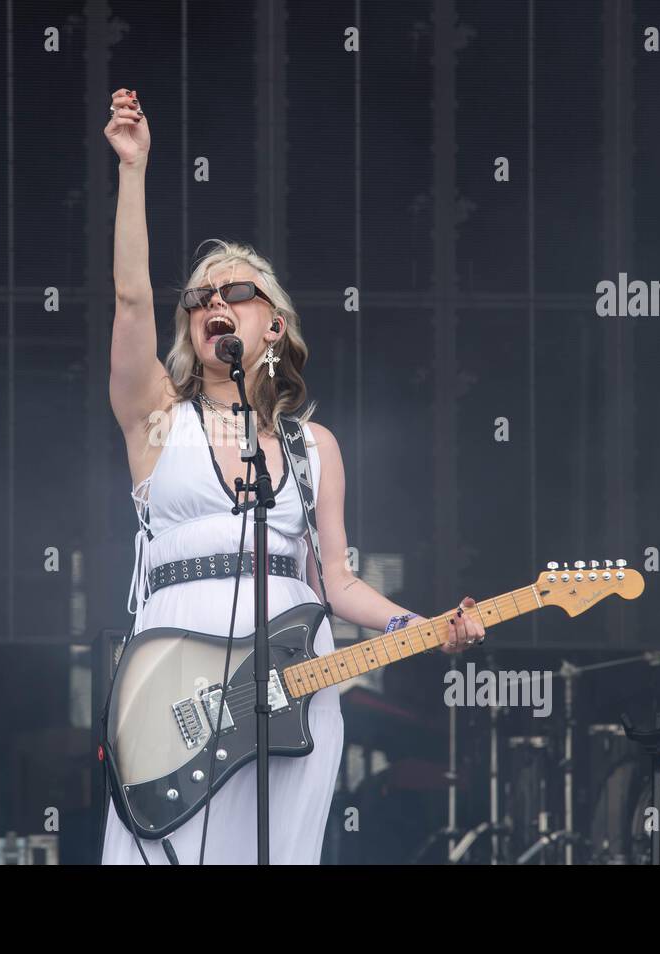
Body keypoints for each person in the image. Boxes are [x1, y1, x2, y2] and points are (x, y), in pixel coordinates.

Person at [101, 87, 485, 865]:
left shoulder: (315, 447)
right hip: (171, 687)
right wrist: (133, 171)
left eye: (236, 292)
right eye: (201, 298)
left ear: (273, 324)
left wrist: (420, 627)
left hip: (293, 683)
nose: (215, 302)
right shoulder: (155, 419)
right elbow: (131, 298)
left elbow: (338, 583)